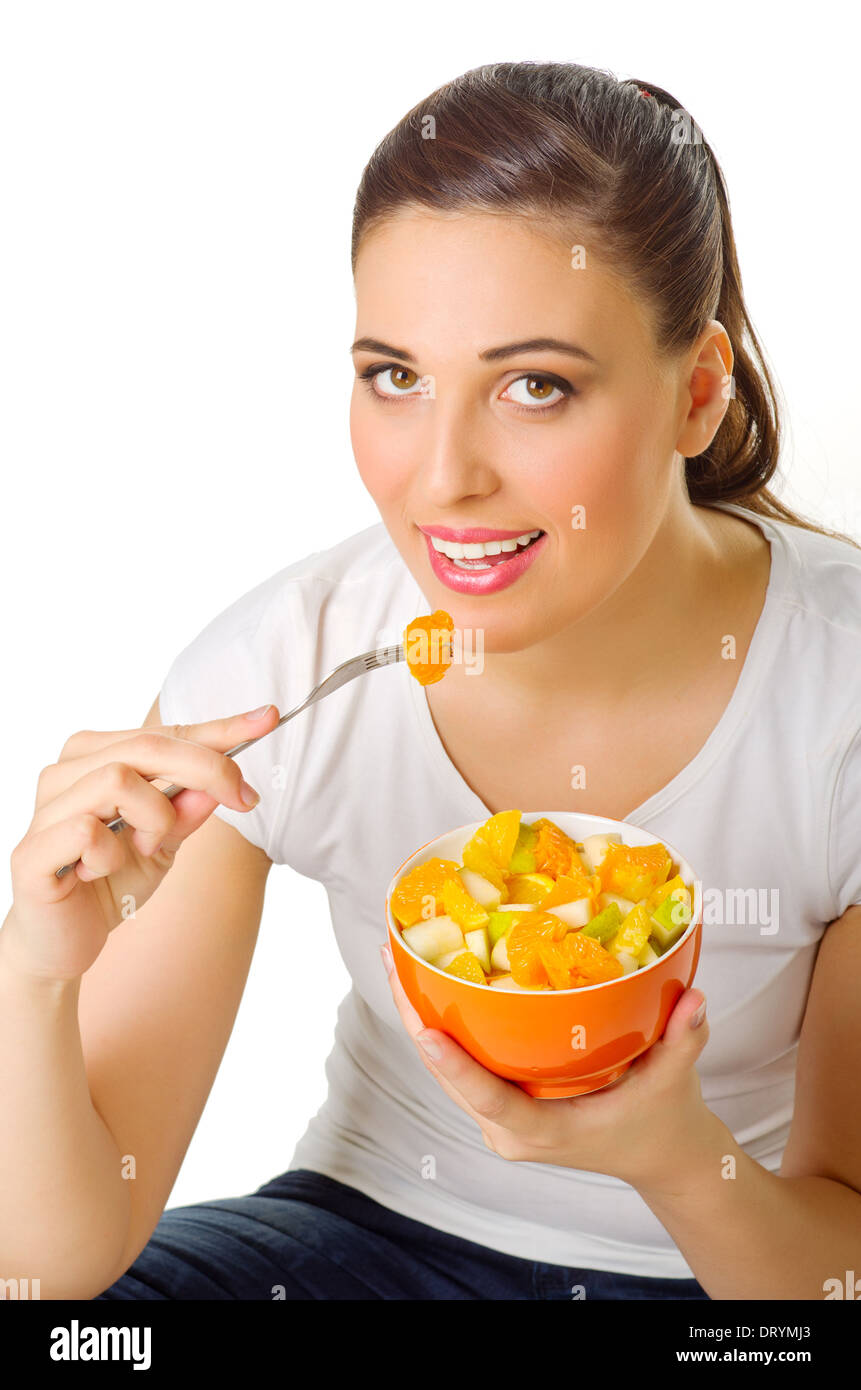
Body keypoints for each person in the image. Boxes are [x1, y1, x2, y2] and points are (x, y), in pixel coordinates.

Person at [2, 61, 859, 1302]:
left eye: (535, 386)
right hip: (361, 1243)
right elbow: (48, 1272)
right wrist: (36, 970)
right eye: (394, 376)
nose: (442, 478)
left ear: (697, 394)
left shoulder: (834, 701)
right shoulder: (290, 669)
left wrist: (672, 1157)